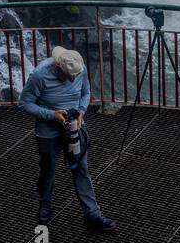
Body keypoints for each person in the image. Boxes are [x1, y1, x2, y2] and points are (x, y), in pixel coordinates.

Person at [19, 45, 116, 232]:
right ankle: (45, 202)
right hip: (48, 131)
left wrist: (80, 112)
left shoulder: (79, 68)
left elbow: (85, 93)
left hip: (74, 126)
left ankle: (92, 213)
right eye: (68, 76)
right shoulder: (39, 75)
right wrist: (52, 115)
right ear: (57, 67)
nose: (73, 79)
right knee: (48, 169)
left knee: (81, 168)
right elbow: (24, 103)